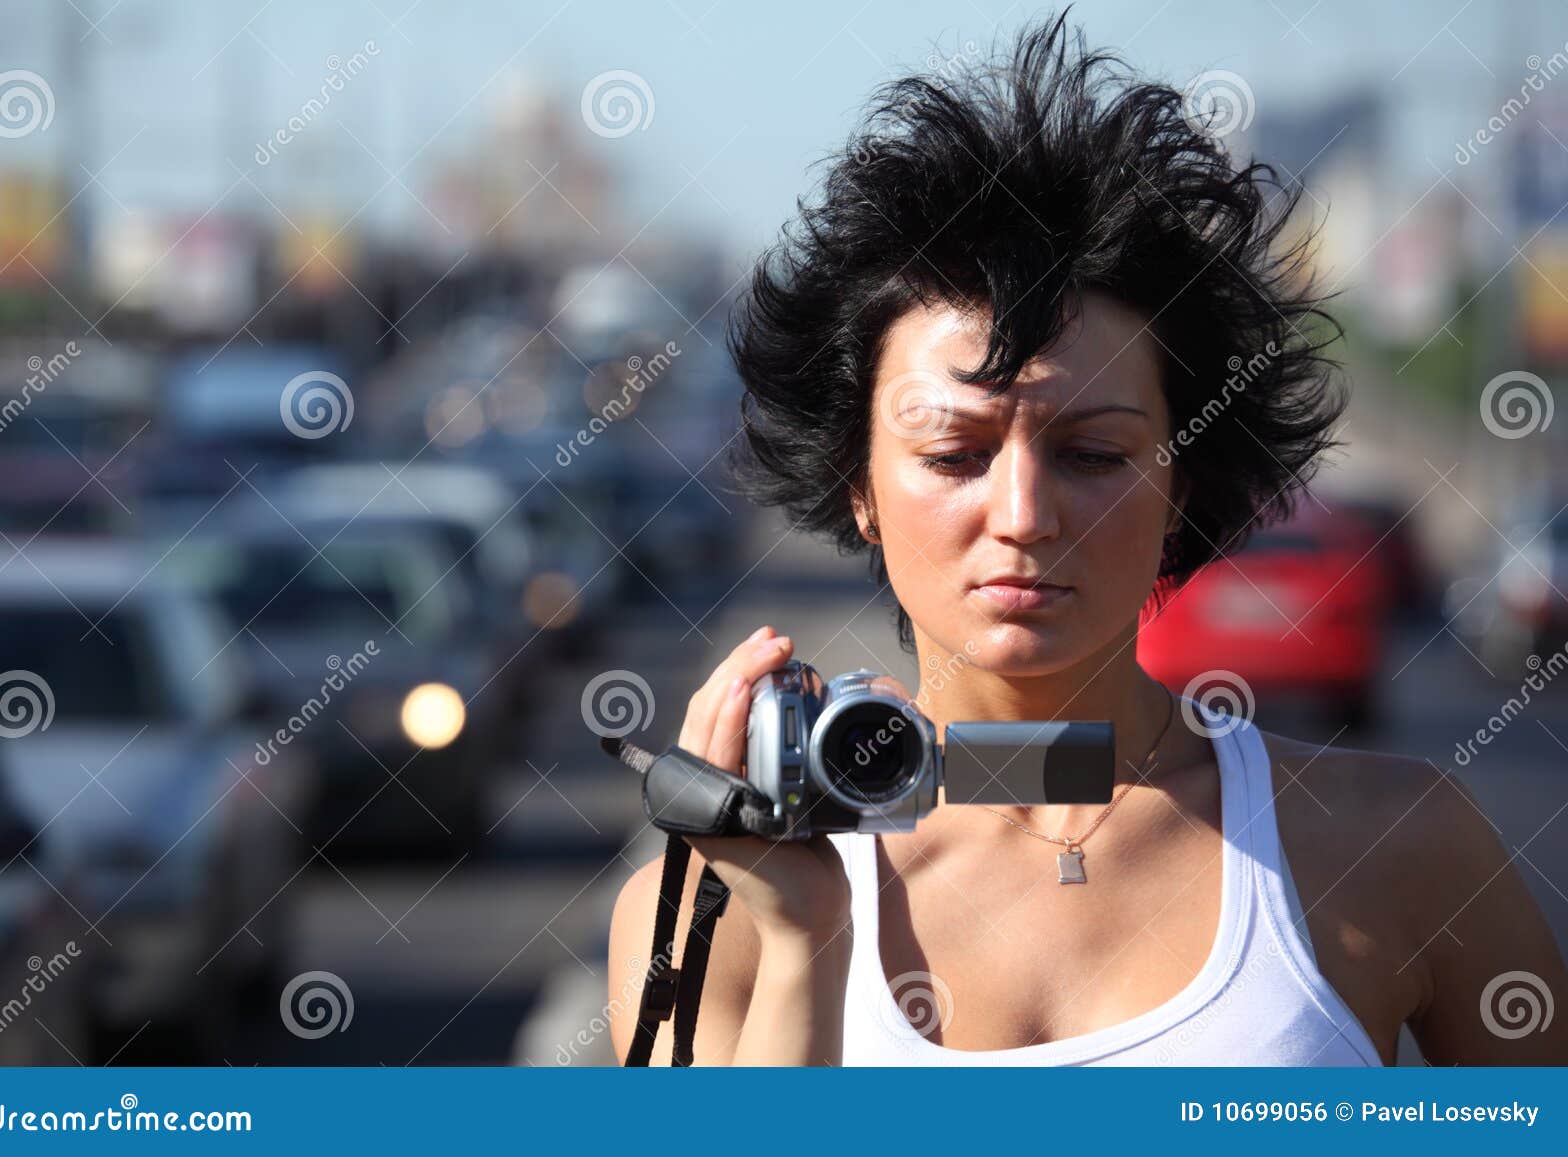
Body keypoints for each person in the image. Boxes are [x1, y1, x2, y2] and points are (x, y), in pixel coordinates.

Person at [606, 9, 1568, 1066]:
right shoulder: (714, 901)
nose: (1024, 514)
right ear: (858, 484)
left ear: (1181, 481)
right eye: (953, 454)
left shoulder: (1396, 843)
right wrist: (801, 939)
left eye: (1094, 455)